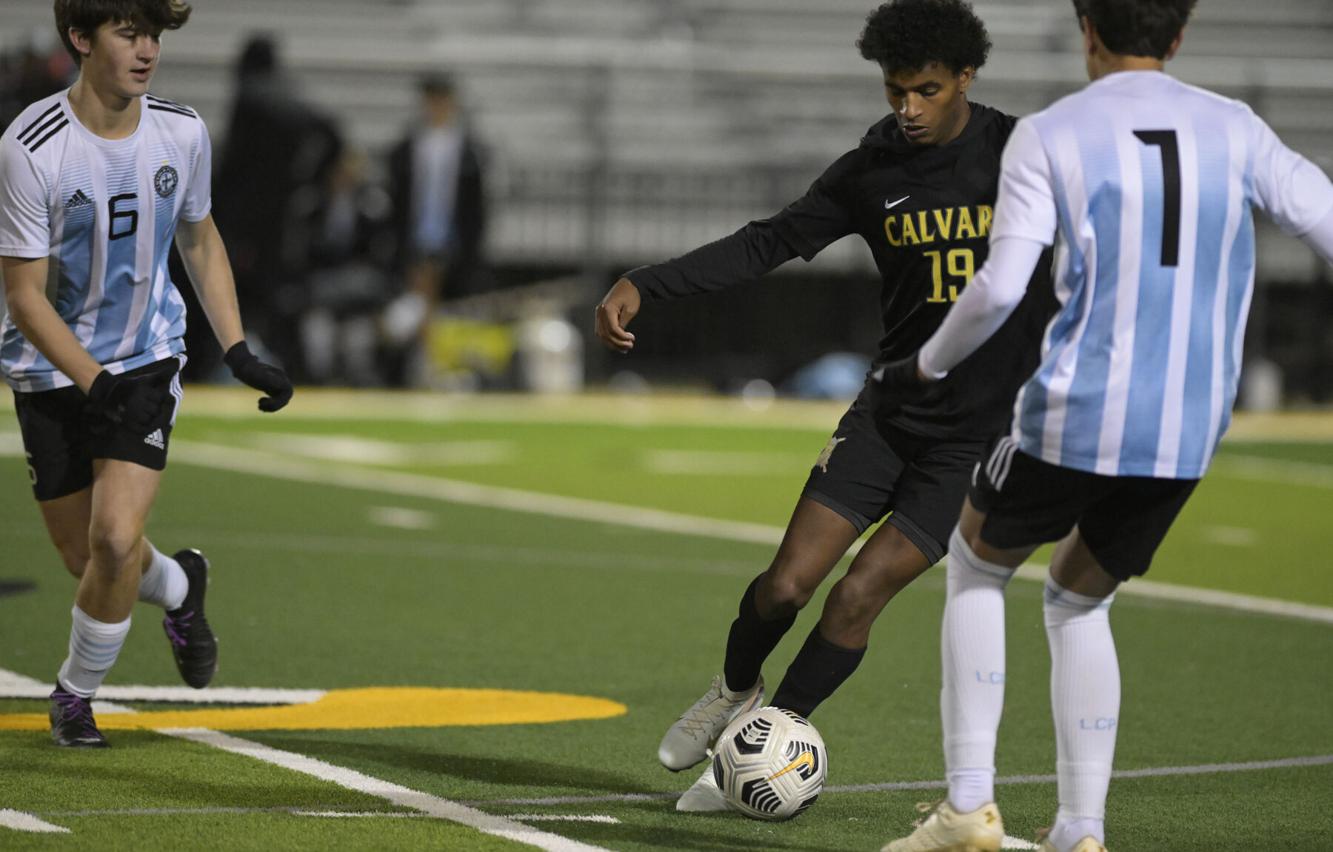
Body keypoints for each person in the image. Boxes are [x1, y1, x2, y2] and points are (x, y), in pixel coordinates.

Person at [876, 1, 1333, 849]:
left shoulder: (1050, 133)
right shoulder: (1234, 127)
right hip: (1188, 429)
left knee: (976, 562)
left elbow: (1001, 284)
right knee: (1079, 601)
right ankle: (1079, 831)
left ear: (1087, 28)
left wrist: (925, 365)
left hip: (1079, 409)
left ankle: (965, 810)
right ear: (1179, 34)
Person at [594, 0, 1055, 811]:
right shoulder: (869, 168)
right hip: (888, 414)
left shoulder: (1026, 154)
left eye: (925, 91)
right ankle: (734, 689)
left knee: (857, 592)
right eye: (892, 91)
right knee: (784, 586)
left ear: (965, 79)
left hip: (978, 440)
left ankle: (761, 744)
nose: (907, 109)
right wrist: (645, 281)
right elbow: (765, 242)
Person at [0, 0, 293, 748]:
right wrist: (92, 383)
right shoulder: (31, 148)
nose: (147, 51)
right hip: (51, 367)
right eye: (129, 33)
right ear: (79, 38)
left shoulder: (181, 131)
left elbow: (199, 236)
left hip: (146, 357)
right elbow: (25, 298)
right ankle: (182, 586)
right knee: (89, 559)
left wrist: (235, 348)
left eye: (154, 35)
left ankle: (73, 695)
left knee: (114, 536)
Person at [382, 72, 486, 387]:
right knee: (413, 306)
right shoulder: (407, 148)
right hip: (415, 239)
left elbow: (476, 206)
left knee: (446, 310)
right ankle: (418, 369)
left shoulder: (468, 151)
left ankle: (441, 367)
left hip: (451, 242)